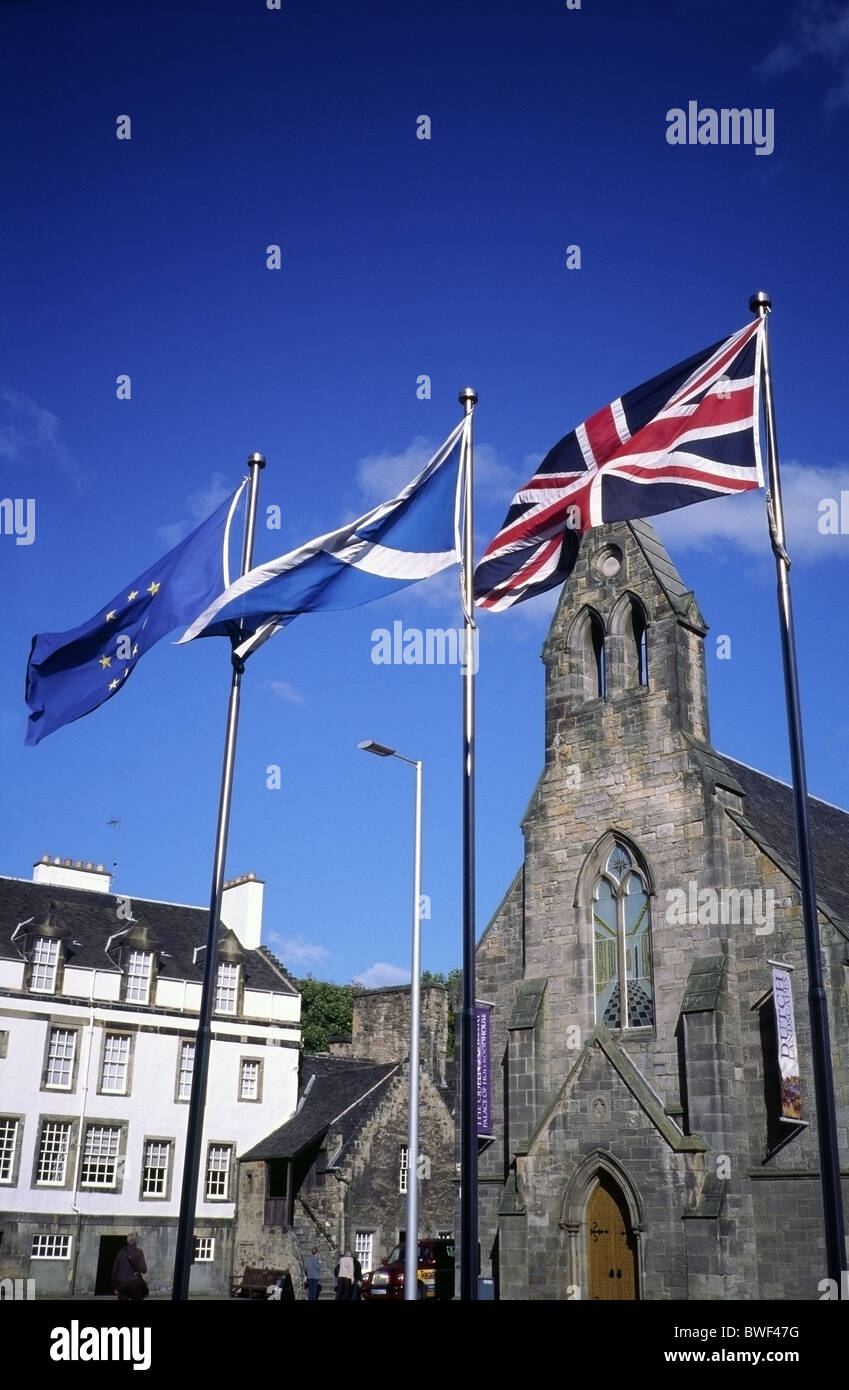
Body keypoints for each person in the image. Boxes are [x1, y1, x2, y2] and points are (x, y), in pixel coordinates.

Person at [111, 1232, 147, 1301]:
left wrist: (115, 1286)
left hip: (122, 1284)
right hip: (135, 1284)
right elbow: (144, 1269)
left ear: (128, 1240)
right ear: (136, 1241)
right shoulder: (139, 1252)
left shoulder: (121, 1252)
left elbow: (115, 1270)